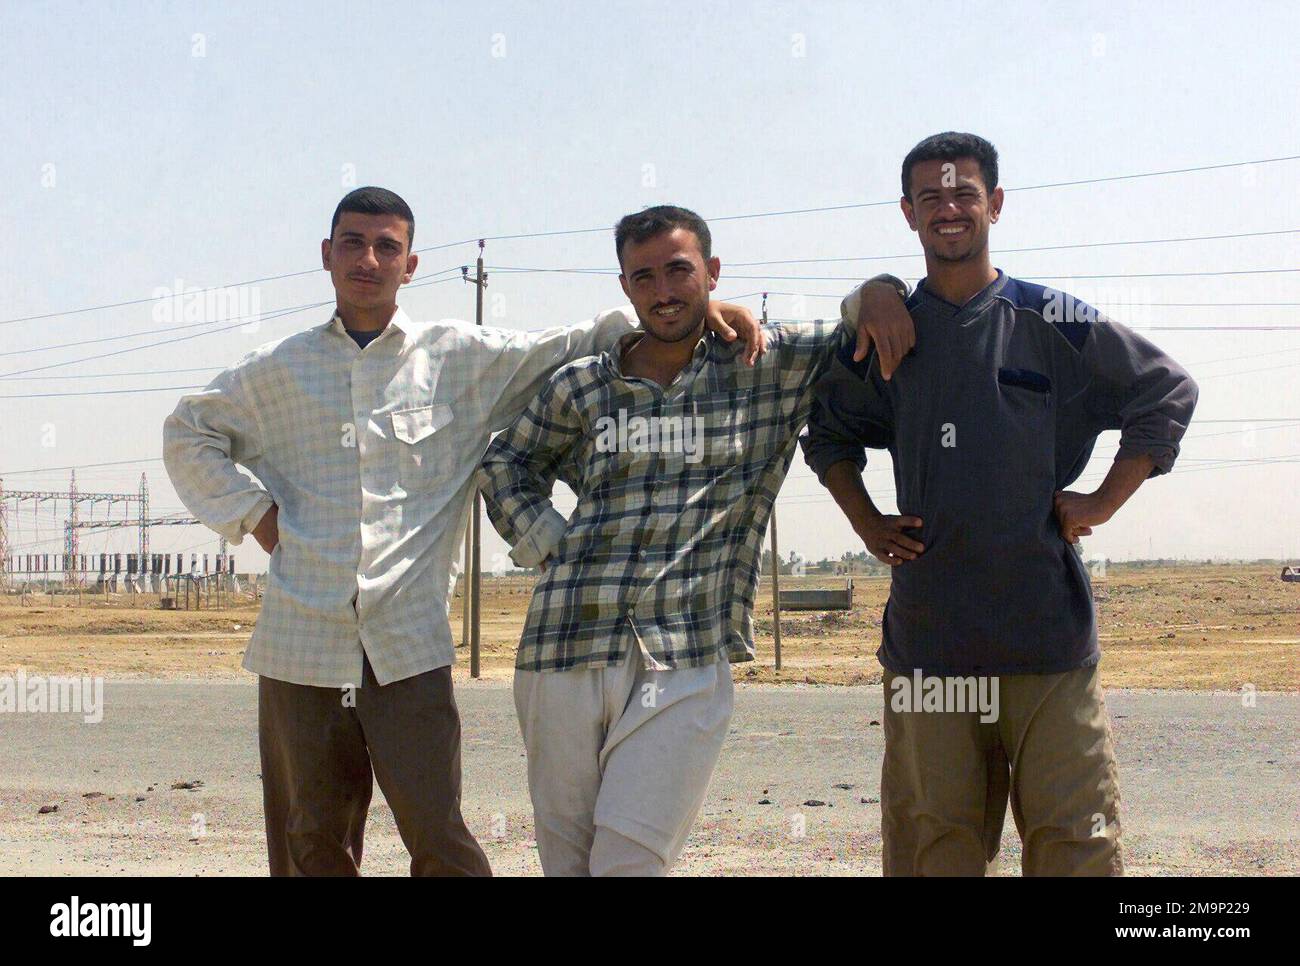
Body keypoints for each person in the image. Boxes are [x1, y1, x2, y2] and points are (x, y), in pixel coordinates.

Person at [161, 186, 772, 876]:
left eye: (387, 246)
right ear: (327, 255)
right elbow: (188, 429)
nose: (369, 258)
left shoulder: (457, 359)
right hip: (299, 644)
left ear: (411, 263)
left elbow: (581, 341)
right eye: (354, 243)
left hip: (407, 646)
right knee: (310, 846)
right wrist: (256, 519)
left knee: (441, 840)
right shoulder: (277, 372)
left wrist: (697, 314)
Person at [800, 133, 1199, 876]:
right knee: (933, 849)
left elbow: (1167, 387)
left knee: (1076, 847)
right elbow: (828, 433)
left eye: (963, 195)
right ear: (908, 213)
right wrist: (864, 521)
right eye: (931, 198)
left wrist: (1105, 500)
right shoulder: (887, 329)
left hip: (1048, 642)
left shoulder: (1053, 316)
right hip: (930, 647)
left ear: (996, 204)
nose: (948, 210)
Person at [477, 204, 913, 875]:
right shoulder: (582, 385)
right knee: (567, 865)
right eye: (643, 276)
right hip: (562, 645)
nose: (663, 290)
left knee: (628, 860)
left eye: (679, 270)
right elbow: (505, 462)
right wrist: (550, 543)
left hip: (685, 651)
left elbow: (857, 319)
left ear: (712, 271)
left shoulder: (768, 362)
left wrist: (881, 289)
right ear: (625, 288)